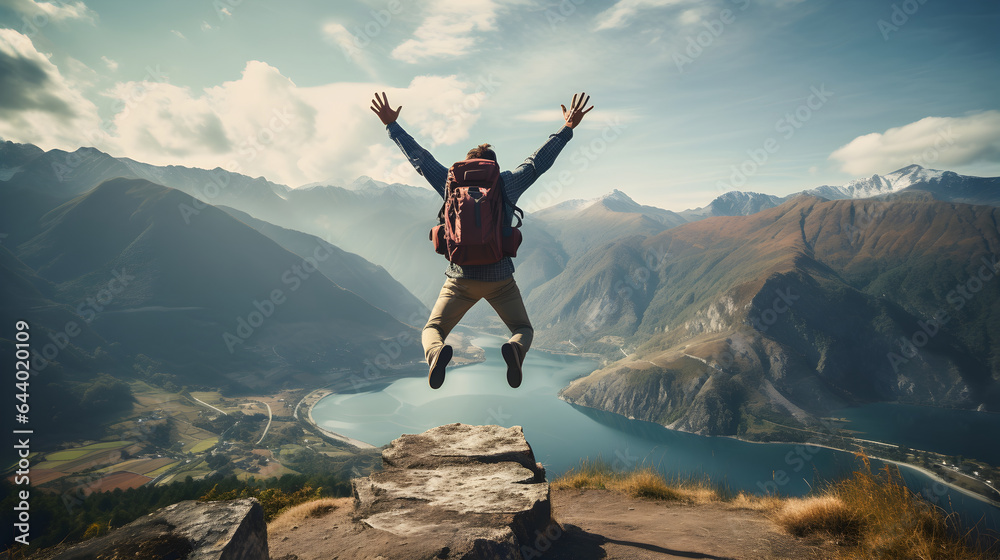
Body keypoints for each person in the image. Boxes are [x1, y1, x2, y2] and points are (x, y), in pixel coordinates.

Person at [370, 91, 594, 389]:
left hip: (459, 278)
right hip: (500, 278)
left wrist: (392, 126)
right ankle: (514, 349)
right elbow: (538, 162)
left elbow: (421, 160)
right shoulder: (507, 183)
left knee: (433, 328)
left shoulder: (450, 182)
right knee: (522, 328)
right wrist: (567, 129)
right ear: (494, 167)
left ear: (467, 165)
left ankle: (436, 353)